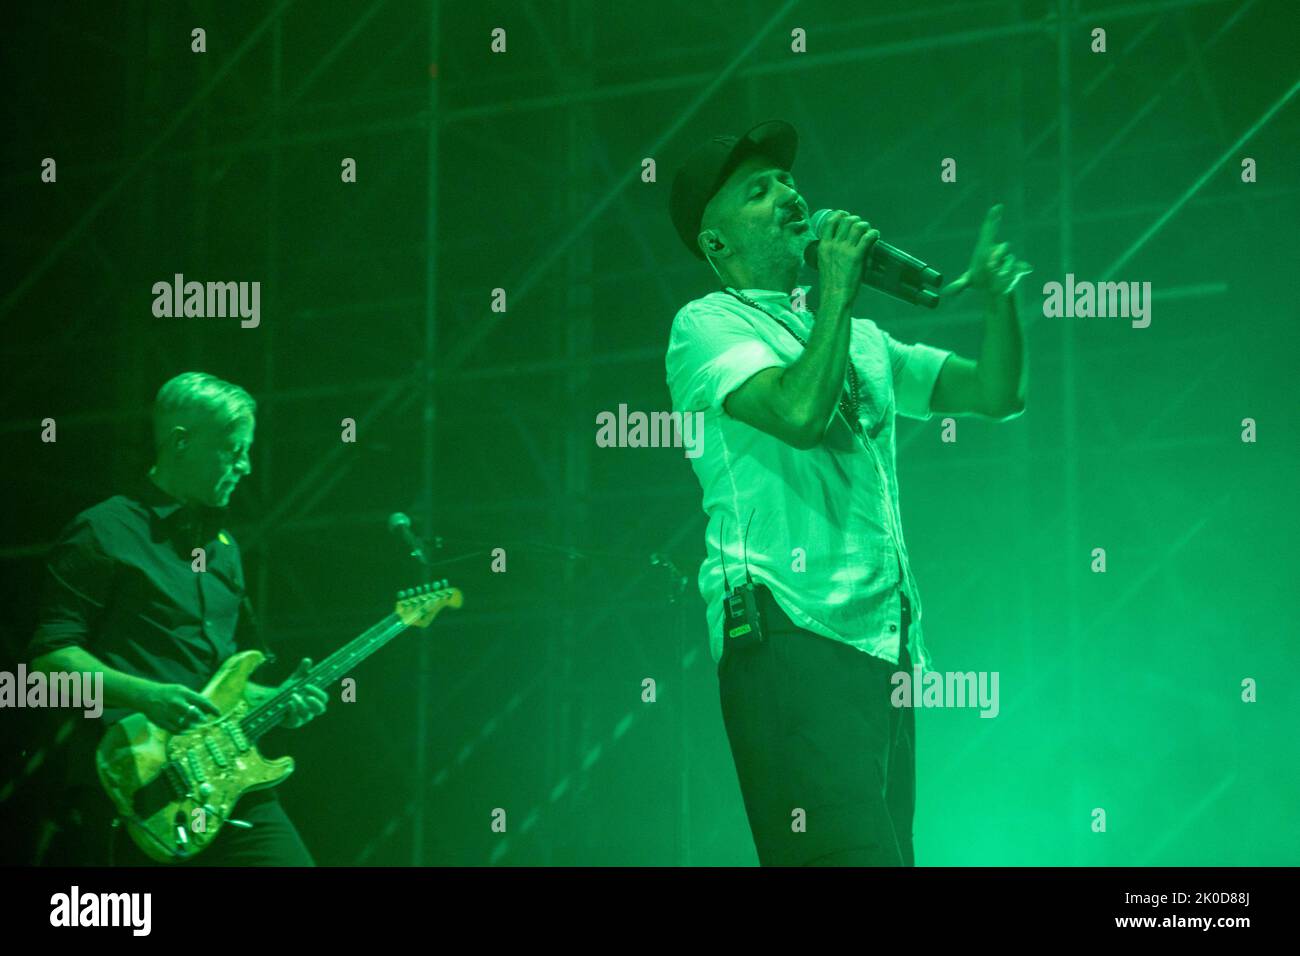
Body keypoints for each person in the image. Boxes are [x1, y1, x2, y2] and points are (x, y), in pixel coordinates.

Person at [666, 120, 1030, 865]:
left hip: (880, 645)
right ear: (716, 243)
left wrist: (998, 299)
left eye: (788, 181)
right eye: (758, 190)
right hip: (789, 630)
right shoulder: (705, 326)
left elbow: (997, 392)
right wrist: (834, 288)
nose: (789, 195)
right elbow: (798, 413)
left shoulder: (860, 339)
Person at [27, 371, 327, 866]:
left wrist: (276, 699)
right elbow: (49, 664)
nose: (247, 466)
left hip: (229, 778)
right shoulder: (102, 531)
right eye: (233, 450)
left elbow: (219, 686)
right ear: (181, 442)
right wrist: (149, 695)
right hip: (142, 784)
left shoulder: (223, 551)